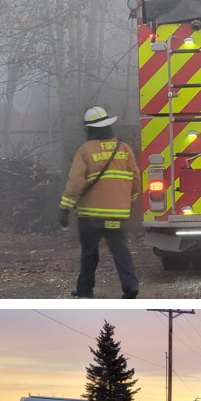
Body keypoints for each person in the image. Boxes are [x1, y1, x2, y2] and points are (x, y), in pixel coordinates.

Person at [58, 106, 140, 298]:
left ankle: (85, 290)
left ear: (89, 129)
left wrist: (64, 208)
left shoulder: (85, 151)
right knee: (121, 251)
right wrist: (130, 201)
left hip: (91, 216)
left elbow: (75, 182)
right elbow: (136, 179)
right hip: (118, 215)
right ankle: (130, 286)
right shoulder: (124, 149)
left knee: (89, 253)